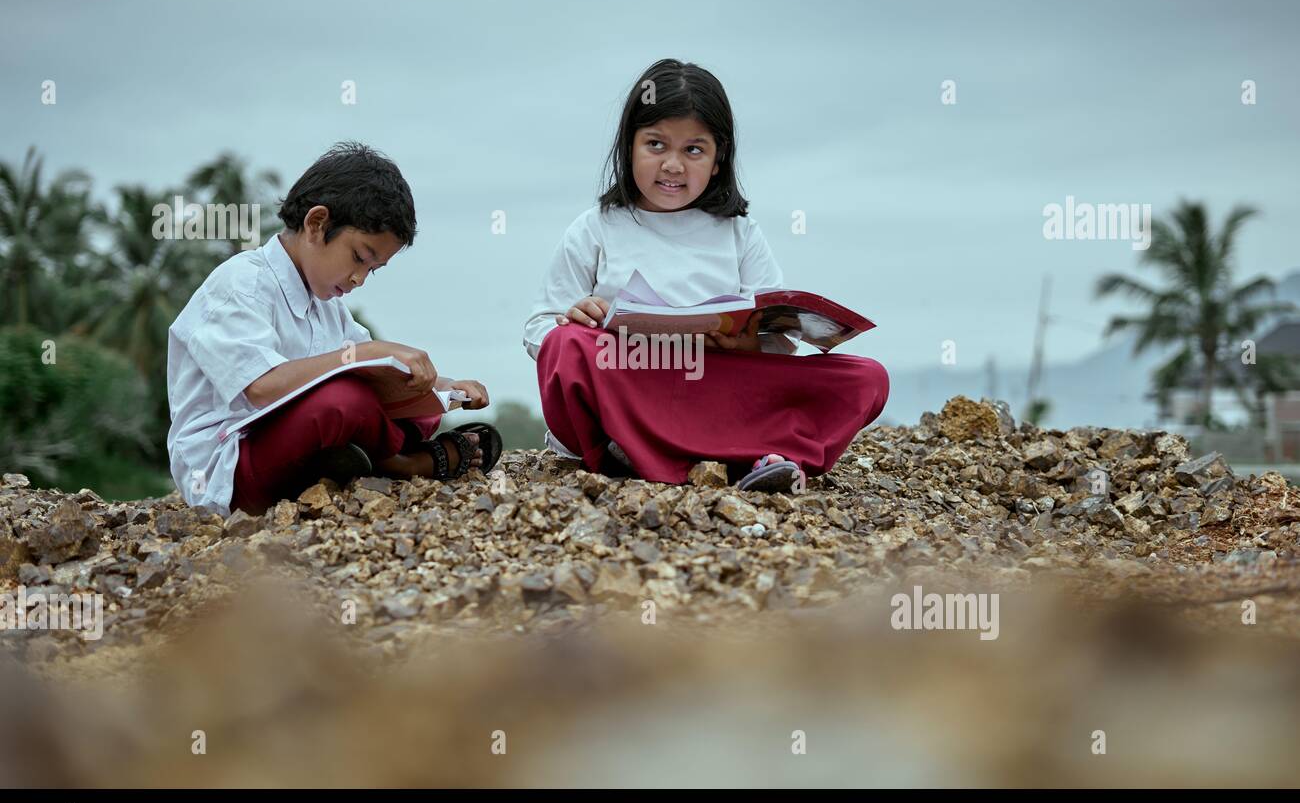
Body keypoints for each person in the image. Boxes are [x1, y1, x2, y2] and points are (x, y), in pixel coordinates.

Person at [523, 59, 889, 493]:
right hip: (631, 379)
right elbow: (538, 331)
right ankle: (680, 451)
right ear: (628, 148)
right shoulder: (596, 227)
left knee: (866, 377)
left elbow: (779, 341)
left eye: (693, 150)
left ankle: (730, 456)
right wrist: (574, 317)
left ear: (718, 160)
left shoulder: (739, 233)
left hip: (714, 388)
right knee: (567, 345)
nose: (673, 165)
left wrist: (748, 341)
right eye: (656, 145)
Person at [167, 142, 500, 517]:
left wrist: (444, 386)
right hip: (233, 470)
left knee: (416, 400)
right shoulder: (239, 284)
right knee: (343, 402)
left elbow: (378, 370)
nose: (359, 278)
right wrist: (363, 355)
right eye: (359, 257)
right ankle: (402, 465)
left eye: (372, 270)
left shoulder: (327, 306)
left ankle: (359, 463)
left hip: (302, 450)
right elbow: (261, 387)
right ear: (317, 223)